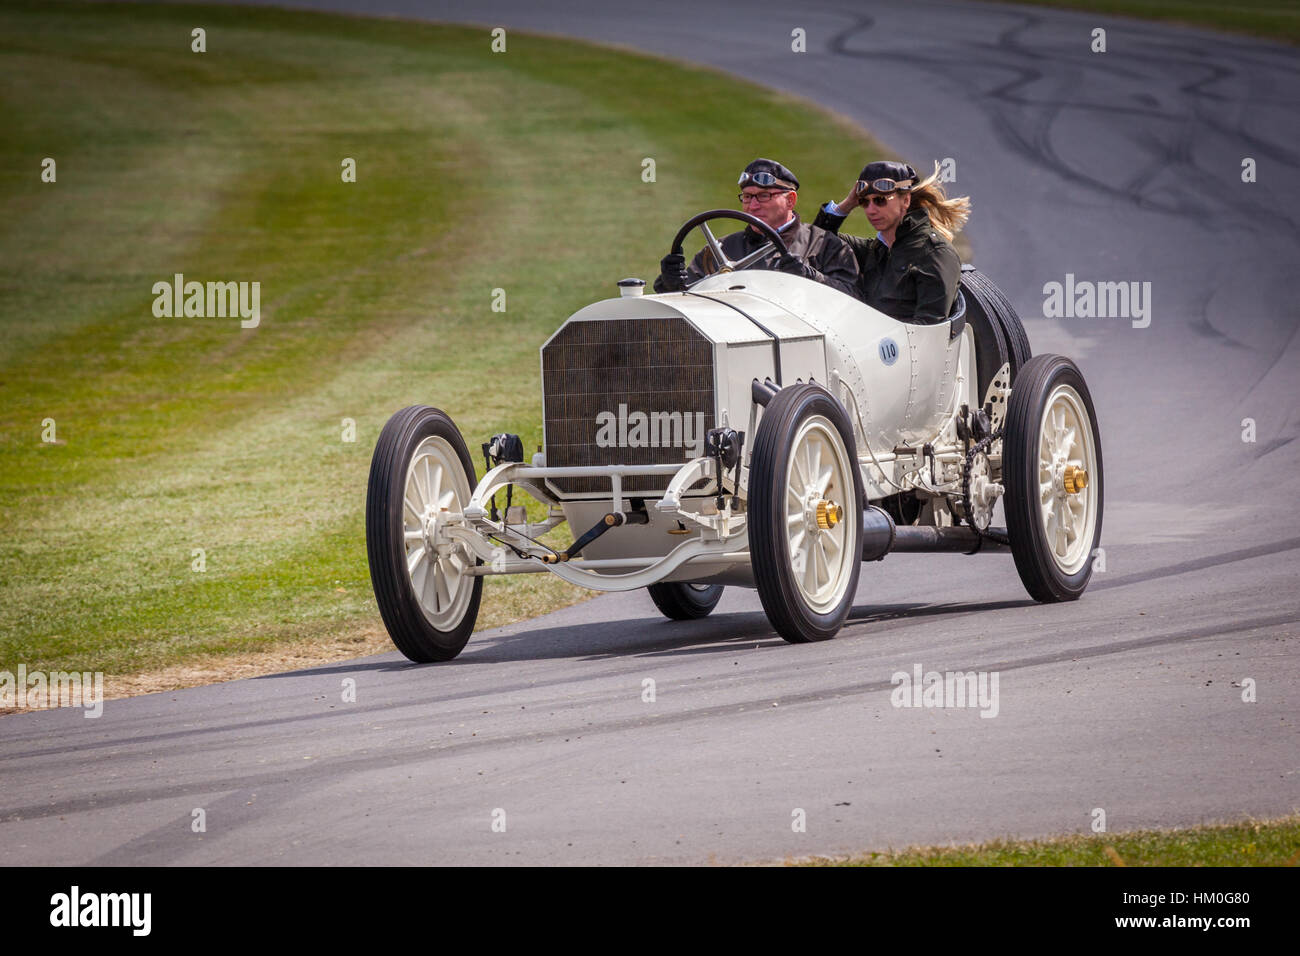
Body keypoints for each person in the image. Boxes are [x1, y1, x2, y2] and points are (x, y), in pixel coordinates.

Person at [655, 158, 858, 296]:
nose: (752, 206)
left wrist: (810, 277)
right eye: (748, 197)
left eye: (764, 196)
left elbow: (854, 298)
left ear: (790, 200)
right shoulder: (721, 251)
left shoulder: (824, 245)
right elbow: (685, 300)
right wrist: (670, 282)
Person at [812, 160, 970, 323]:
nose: (871, 210)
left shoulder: (935, 254)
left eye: (880, 200)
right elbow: (817, 245)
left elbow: (929, 331)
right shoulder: (876, 250)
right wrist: (847, 205)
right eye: (864, 202)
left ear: (906, 200)